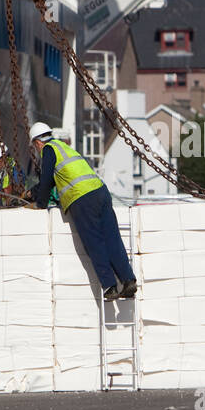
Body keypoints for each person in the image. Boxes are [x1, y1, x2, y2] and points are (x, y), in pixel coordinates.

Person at [28, 121, 137, 301]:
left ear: (37, 142)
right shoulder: (64, 148)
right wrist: (33, 192)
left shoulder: (48, 150)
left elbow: (47, 180)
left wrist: (40, 204)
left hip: (82, 198)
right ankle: (128, 280)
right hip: (101, 191)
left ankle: (109, 286)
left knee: (94, 242)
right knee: (112, 238)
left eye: (34, 146)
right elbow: (58, 177)